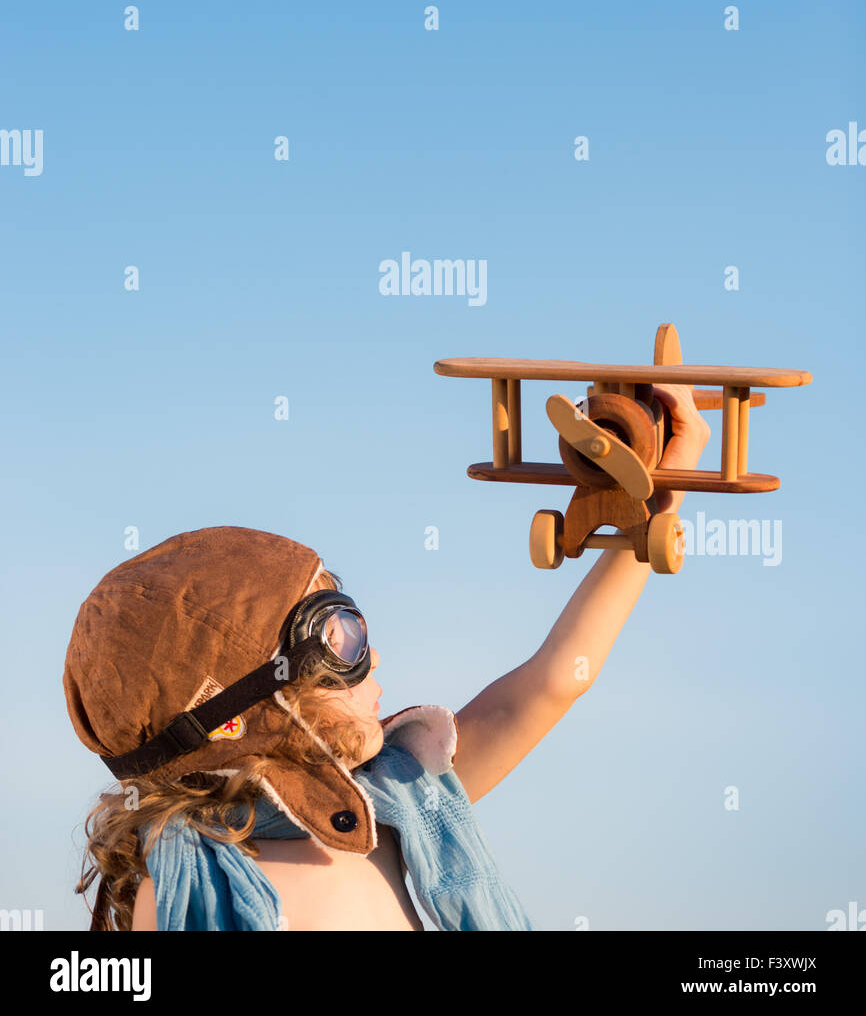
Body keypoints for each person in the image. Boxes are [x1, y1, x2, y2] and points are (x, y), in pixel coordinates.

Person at [64, 383, 709, 932]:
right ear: (233, 710)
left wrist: (651, 510)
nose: (373, 660)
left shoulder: (398, 802)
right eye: (339, 640)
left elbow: (552, 682)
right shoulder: (191, 893)